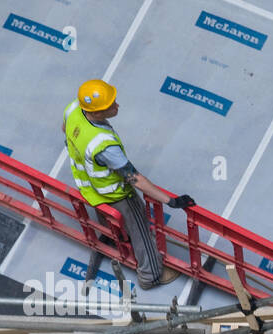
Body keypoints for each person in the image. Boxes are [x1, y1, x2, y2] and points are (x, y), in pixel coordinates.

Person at [62, 79, 196, 290]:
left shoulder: (73, 109)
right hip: (115, 194)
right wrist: (170, 200)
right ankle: (150, 275)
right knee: (140, 229)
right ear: (96, 113)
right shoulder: (104, 145)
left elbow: (65, 130)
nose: (117, 106)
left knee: (106, 214)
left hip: (88, 186)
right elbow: (134, 178)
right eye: (111, 106)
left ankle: (109, 233)